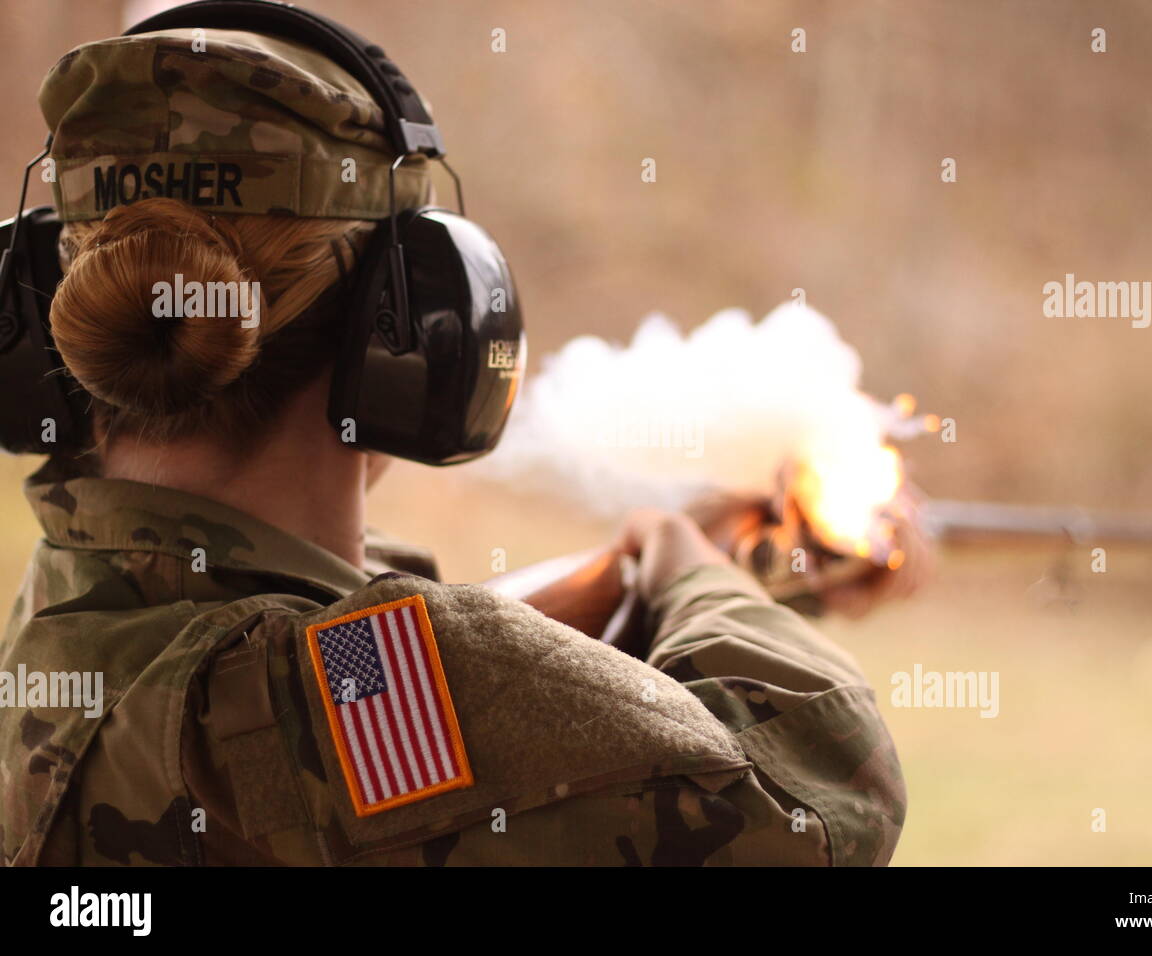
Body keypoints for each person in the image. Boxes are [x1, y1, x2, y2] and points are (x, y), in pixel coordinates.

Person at [0, 14, 904, 866]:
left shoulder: (65, 609)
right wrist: (702, 575)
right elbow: (810, 802)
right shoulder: (310, 685)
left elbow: (415, 691)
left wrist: (643, 584)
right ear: (415, 335)